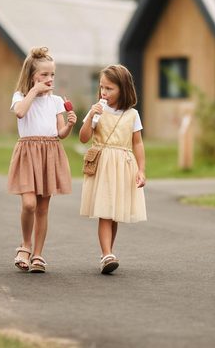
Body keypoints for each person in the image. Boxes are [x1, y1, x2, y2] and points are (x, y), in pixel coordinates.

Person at [7, 47, 77, 273]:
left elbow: (60, 133)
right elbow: (20, 112)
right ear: (31, 76)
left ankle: (38, 254)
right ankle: (25, 246)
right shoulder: (20, 96)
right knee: (29, 203)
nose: (49, 79)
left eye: (52, 75)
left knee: (43, 208)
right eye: (44, 75)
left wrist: (69, 125)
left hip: (50, 152)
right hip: (28, 152)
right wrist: (34, 91)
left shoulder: (56, 101)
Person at [79, 64, 147, 274]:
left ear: (123, 89)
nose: (103, 93)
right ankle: (107, 254)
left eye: (109, 88)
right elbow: (83, 138)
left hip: (123, 165)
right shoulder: (97, 110)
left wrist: (141, 170)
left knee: (114, 212)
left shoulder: (132, 115)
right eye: (101, 87)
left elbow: (137, 143)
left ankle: (108, 253)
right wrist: (91, 116)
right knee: (105, 212)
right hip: (103, 165)